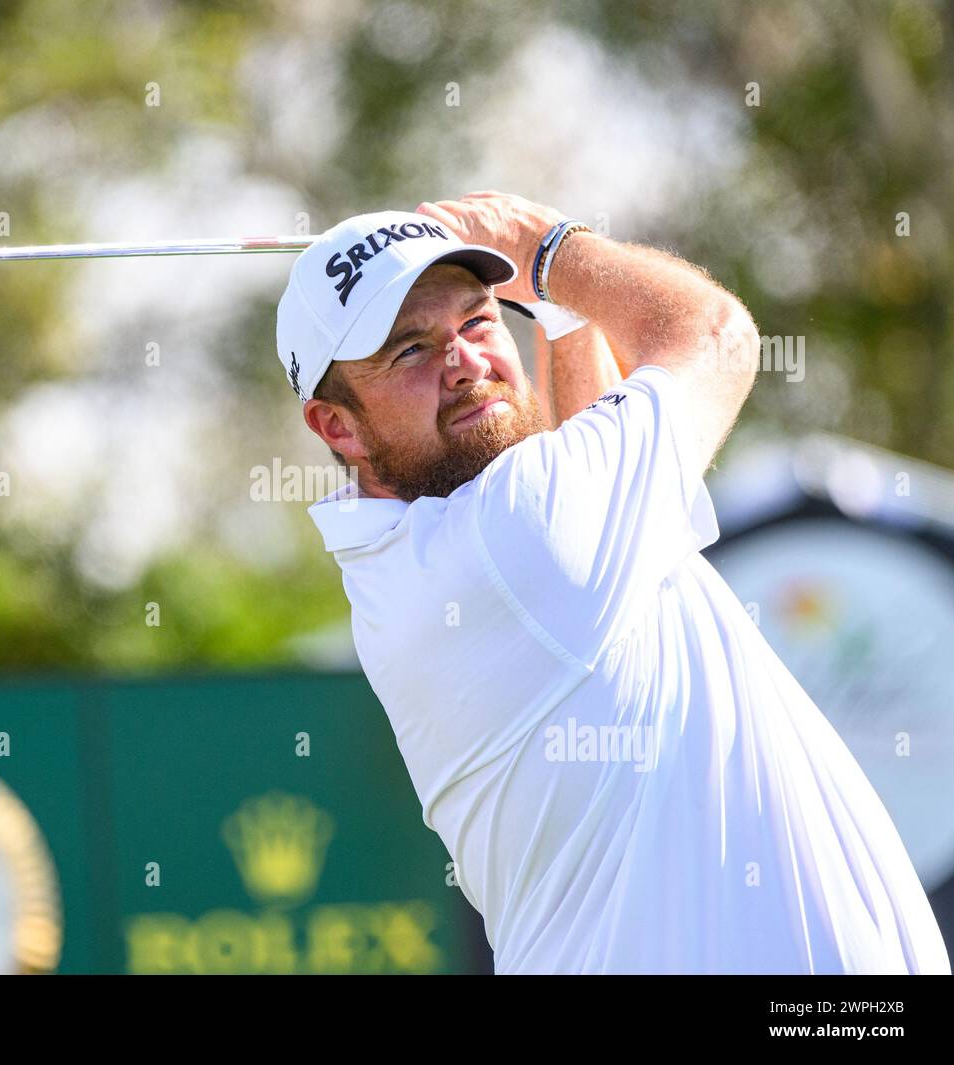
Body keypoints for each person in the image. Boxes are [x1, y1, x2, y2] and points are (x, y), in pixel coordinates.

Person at [274, 191, 952, 975]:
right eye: (410, 352)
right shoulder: (510, 533)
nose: (464, 362)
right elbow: (718, 335)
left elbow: (592, 473)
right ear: (337, 426)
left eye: (479, 320)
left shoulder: (432, 556)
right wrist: (547, 245)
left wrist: (561, 316)